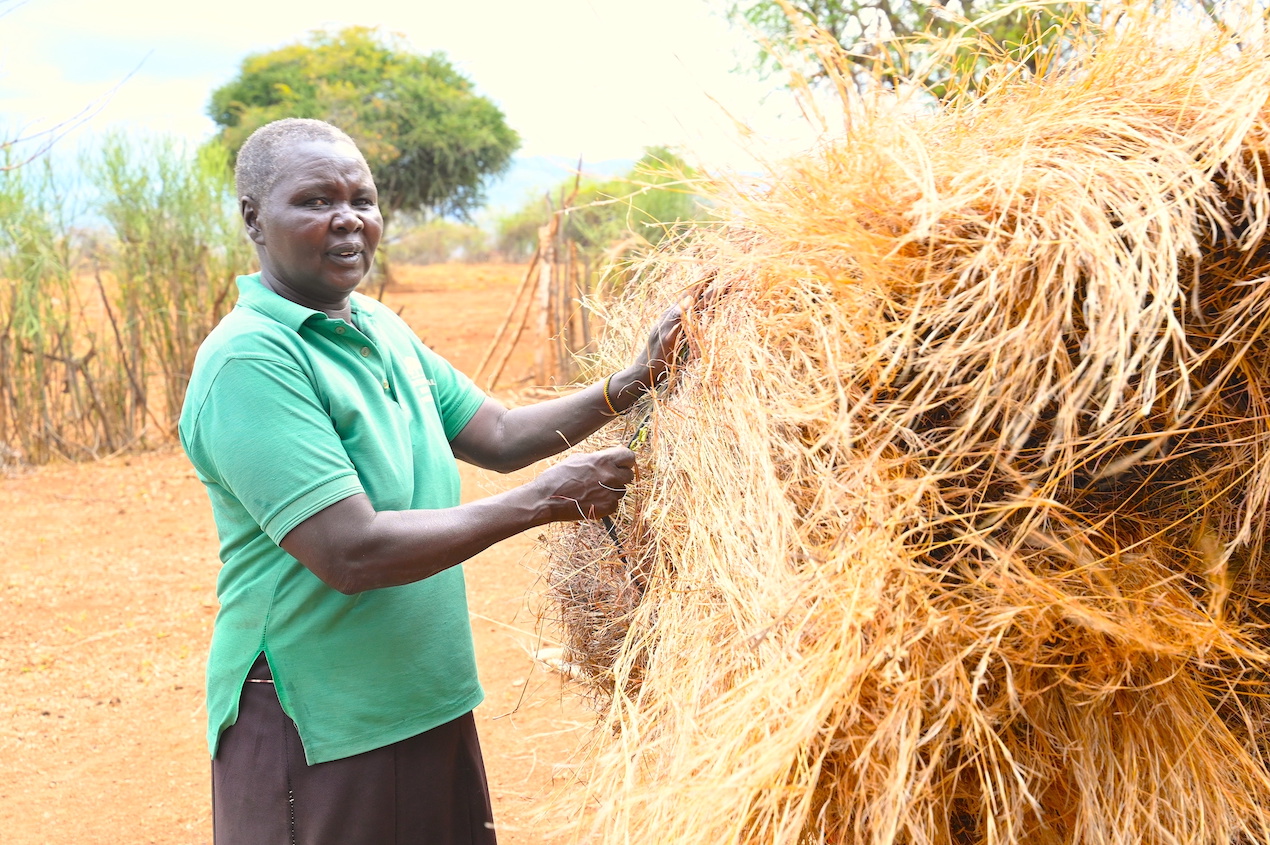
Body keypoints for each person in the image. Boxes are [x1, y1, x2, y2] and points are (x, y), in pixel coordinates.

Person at [178, 117, 685, 845]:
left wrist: (633, 382)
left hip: (425, 695)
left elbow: (502, 435)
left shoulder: (378, 326)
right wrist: (543, 500)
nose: (349, 219)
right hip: (321, 717)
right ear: (254, 219)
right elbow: (351, 551)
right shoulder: (251, 361)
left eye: (363, 198)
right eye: (317, 200)